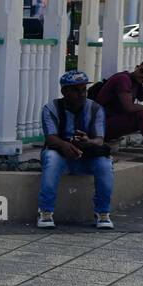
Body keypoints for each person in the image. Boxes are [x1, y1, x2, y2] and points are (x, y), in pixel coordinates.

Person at [38, 71, 115, 230]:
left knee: (105, 164)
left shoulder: (95, 108)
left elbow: (99, 140)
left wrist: (87, 142)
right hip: (60, 154)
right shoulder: (51, 108)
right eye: (75, 90)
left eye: (83, 90)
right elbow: (50, 137)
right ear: (64, 91)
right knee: (51, 159)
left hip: (88, 155)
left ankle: (103, 213)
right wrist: (65, 145)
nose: (81, 94)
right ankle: (45, 212)